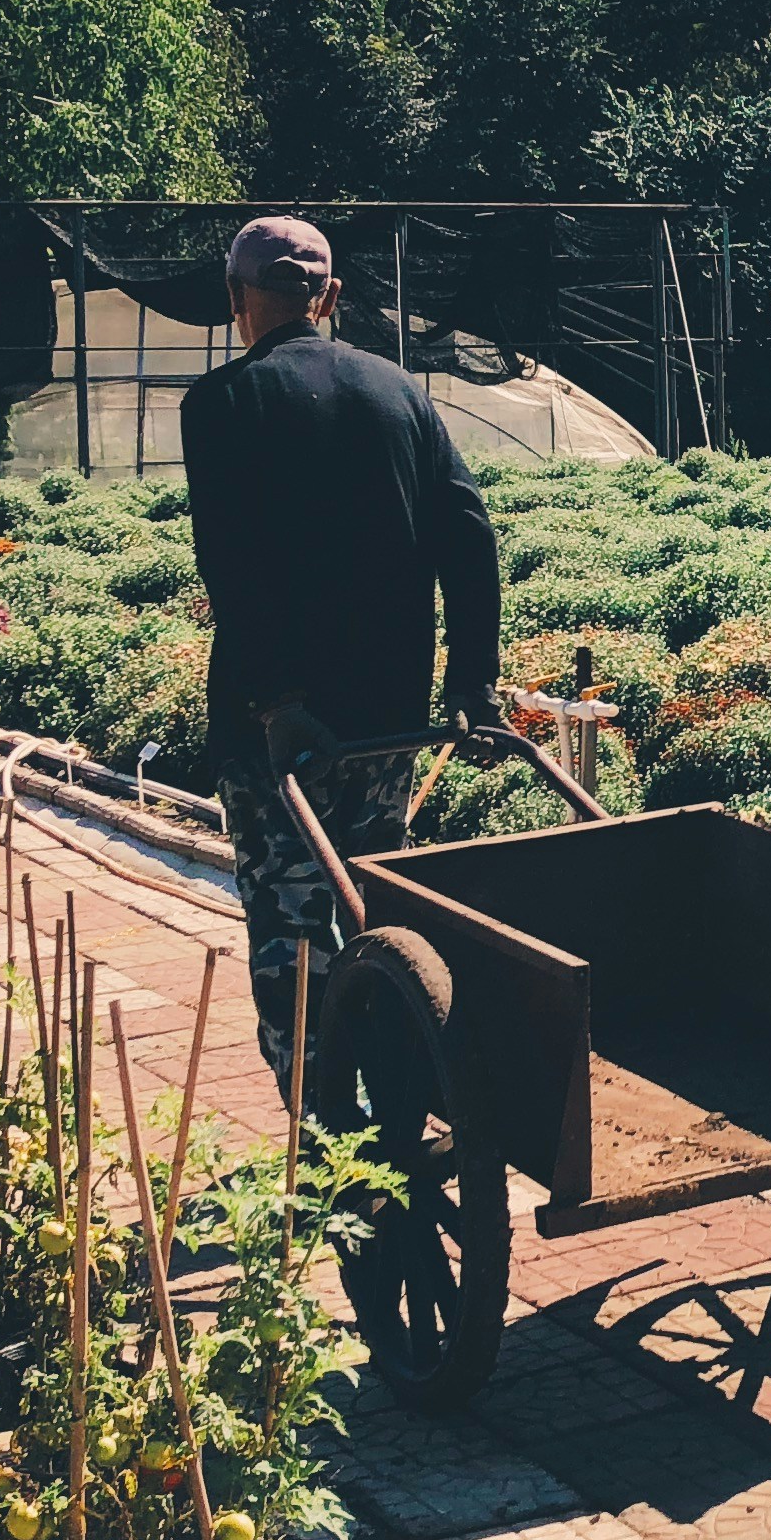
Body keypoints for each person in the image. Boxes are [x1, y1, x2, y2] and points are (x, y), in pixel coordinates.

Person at [182, 214, 507, 1085]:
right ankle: (397, 1099)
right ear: (329, 297)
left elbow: (235, 567)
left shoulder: (221, 402)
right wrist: (473, 681)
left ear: (234, 298)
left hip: (281, 736)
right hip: (387, 724)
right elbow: (469, 540)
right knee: (377, 908)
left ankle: (322, 1146)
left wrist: (279, 702)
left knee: (292, 931)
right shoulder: (400, 392)